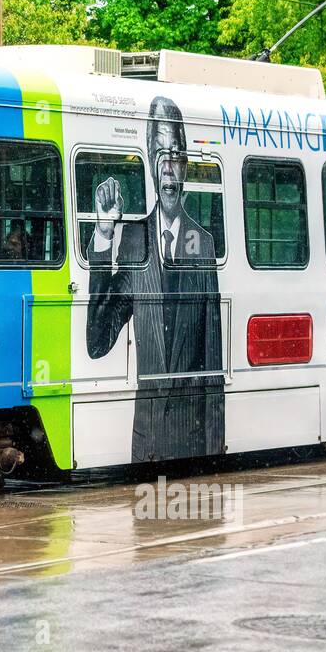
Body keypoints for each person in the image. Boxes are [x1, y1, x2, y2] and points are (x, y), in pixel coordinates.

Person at [85, 95, 225, 462]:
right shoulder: (132, 240)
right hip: (146, 441)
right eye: (160, 153)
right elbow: (97, 341)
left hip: (193, 442)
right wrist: (103, 233)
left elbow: (213, 367)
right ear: (149, 162)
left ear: (185, 167)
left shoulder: (204, 245)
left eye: (176, 155)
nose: (167, 166)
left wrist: (214, 453)